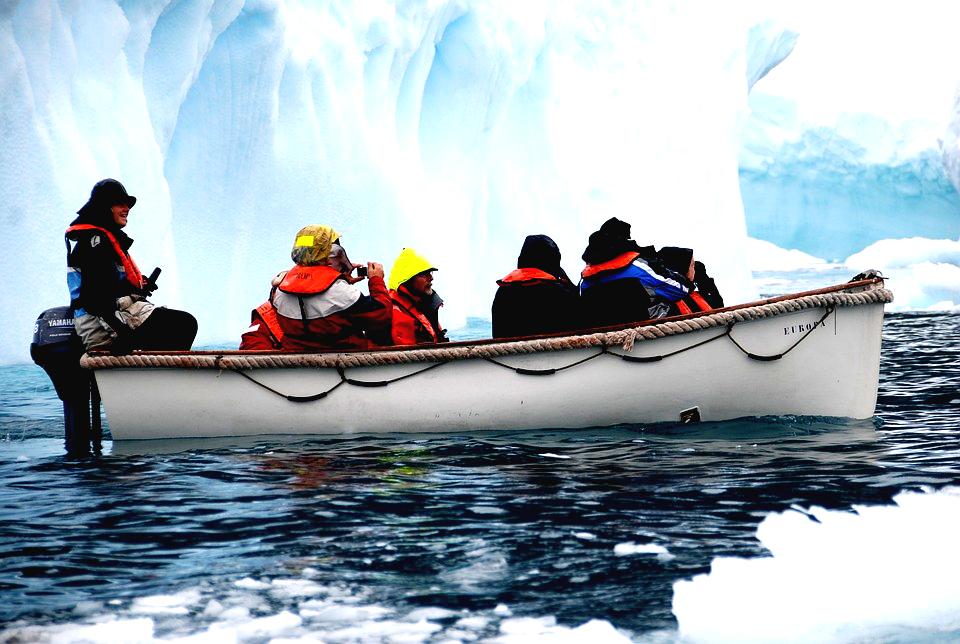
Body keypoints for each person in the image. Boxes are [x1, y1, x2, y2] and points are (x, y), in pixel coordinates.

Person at [66, 179, 197, 354]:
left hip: (113, 317)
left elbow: (108, 286)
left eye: (127, 204)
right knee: (183, 324)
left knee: (179, 324)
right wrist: (123, 334)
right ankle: (157, 370)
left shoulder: (101, 241)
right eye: (120, 204)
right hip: (102, 325)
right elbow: (94, 300)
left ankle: (152, 368)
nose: (127, 208)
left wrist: (137, 287)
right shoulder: (95, 244)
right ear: (105, 207)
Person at [240, 225, 391, 352]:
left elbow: (313, 292)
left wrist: (341, 280)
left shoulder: (279, 289)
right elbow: (381, 315)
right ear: (330, 252)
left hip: (296, 364)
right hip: (342, 368)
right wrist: (376, 280)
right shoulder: (341, 293)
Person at [579, 217, 690, 327]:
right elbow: (680, 290)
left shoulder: (584, 282)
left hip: (605, 332)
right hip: (647, 329)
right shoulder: (639, 268)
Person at [491, 234, 583, 338]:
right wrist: (571, 287)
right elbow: (581, 322)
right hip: (553, 348)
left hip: (509, 348)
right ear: (554, 262)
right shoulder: (559, 293)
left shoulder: (502, 292)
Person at [386, 248, 449, 345]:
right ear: (408, 280)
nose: (431, 278)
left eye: (430, 273)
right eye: (424, 274)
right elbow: (407, 352)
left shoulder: (423, 305)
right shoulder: (396, 311)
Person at [656, 246, 725, 314]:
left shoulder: (695, 296)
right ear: (682, 271)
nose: (695, 270)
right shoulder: (666, 303)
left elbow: (718, 306)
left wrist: (704, 280)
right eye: (692, 266)